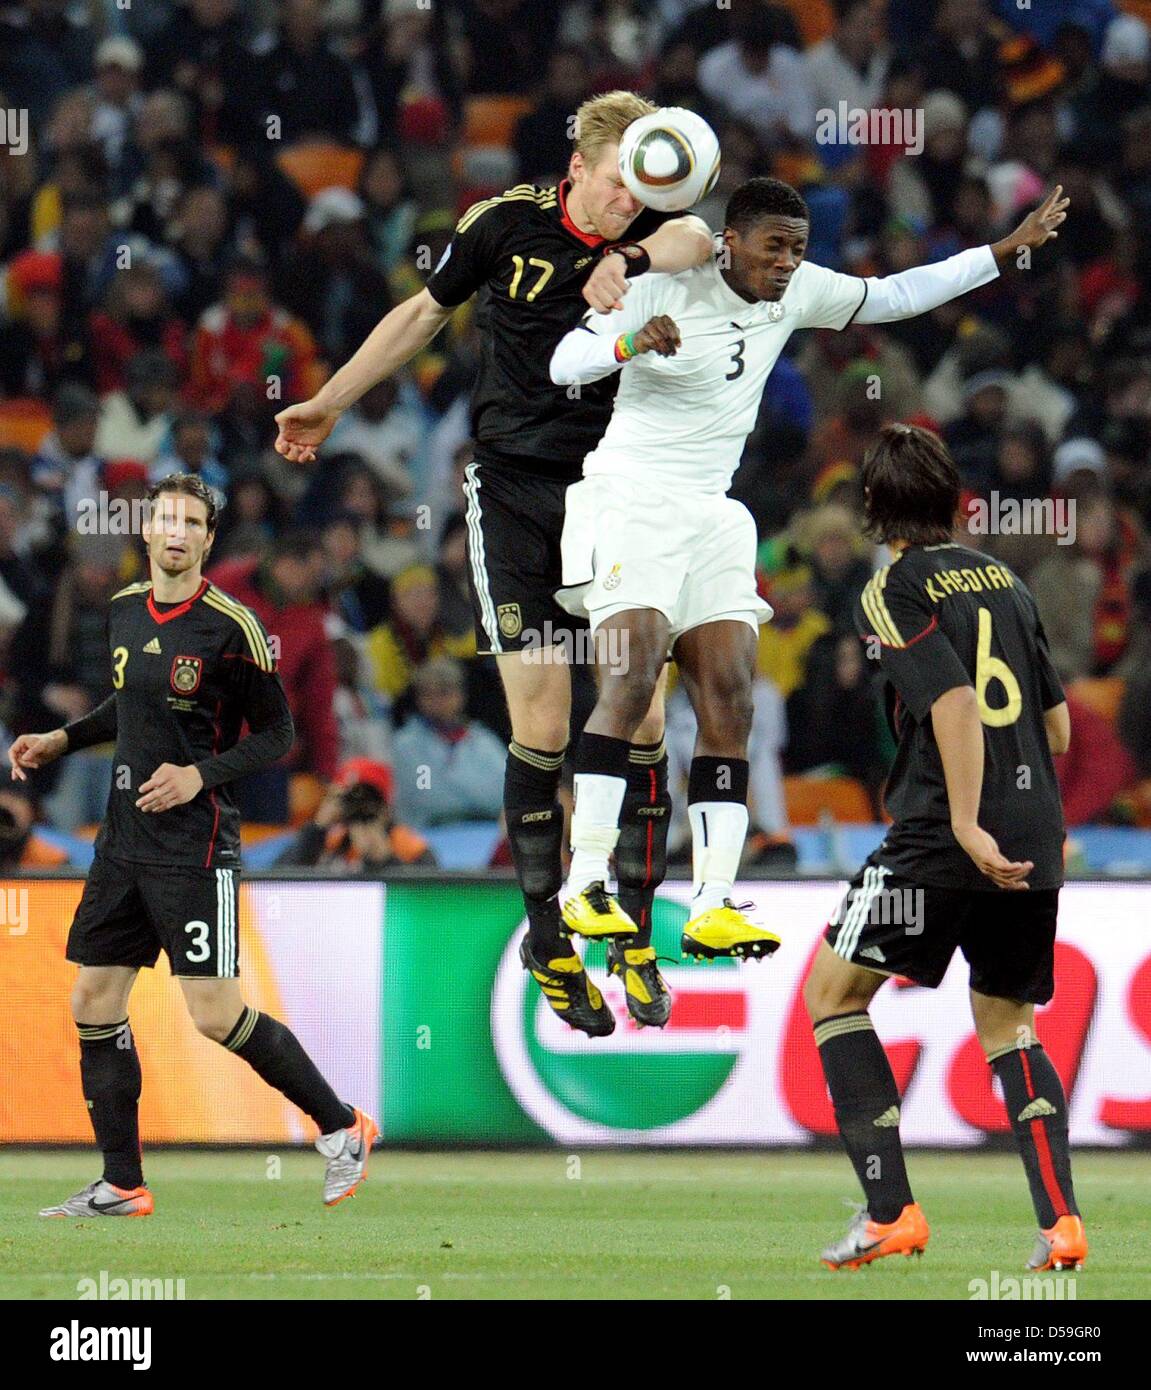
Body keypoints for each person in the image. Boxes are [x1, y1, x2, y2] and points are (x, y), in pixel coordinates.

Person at [273, 92, 715, 1037]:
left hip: (621, 498)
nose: (625, 205)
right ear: (580, 165)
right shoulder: (501, 223)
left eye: (639, 194)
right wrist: (330, 402)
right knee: (546, 727)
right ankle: (548, 934)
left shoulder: (648, 235)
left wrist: (629, 253)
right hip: (515, 497)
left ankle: (632, 932)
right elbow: (421, 317)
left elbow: (699, 244)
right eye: (612, 188)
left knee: (638, 717)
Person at [548, 175, 1069, 962]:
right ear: (730, 240)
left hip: (711, 512)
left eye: (797, 248)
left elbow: (895, 293)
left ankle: (714, 899)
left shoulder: (794, 293)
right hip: (629, 497)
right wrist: (628, 343)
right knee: (632, 677)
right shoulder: (664, 281)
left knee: (731, 695)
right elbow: (563, 361)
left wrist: (999, 253)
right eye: (774, 246)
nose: (788, 262)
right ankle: (585, 880)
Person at [8, 473, 377, 1217]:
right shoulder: (121, 610)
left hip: (194, 843)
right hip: (121, 841)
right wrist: (62, 738)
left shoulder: (231, 627)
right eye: (165, 518)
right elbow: (129, 705)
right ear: (148, 532)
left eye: (192, 523)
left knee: (213, 1014)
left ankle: (342, 1127)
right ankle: (122, 1182)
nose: (176, 531)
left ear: (208, 540)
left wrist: (196, 777)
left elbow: (278, 732)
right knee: (93, 1000)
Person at [804, 424, 1086, 1275]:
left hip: (938, 837)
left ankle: (890, 1210)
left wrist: (964, 823)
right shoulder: (1007, 581)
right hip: (1035, 832)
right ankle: (1062, 1223)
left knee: (833, 994)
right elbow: (1060, 729)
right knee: (1008, 1023)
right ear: (956, 498)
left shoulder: (891, 588)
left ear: (871, 508)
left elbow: (956, 706)